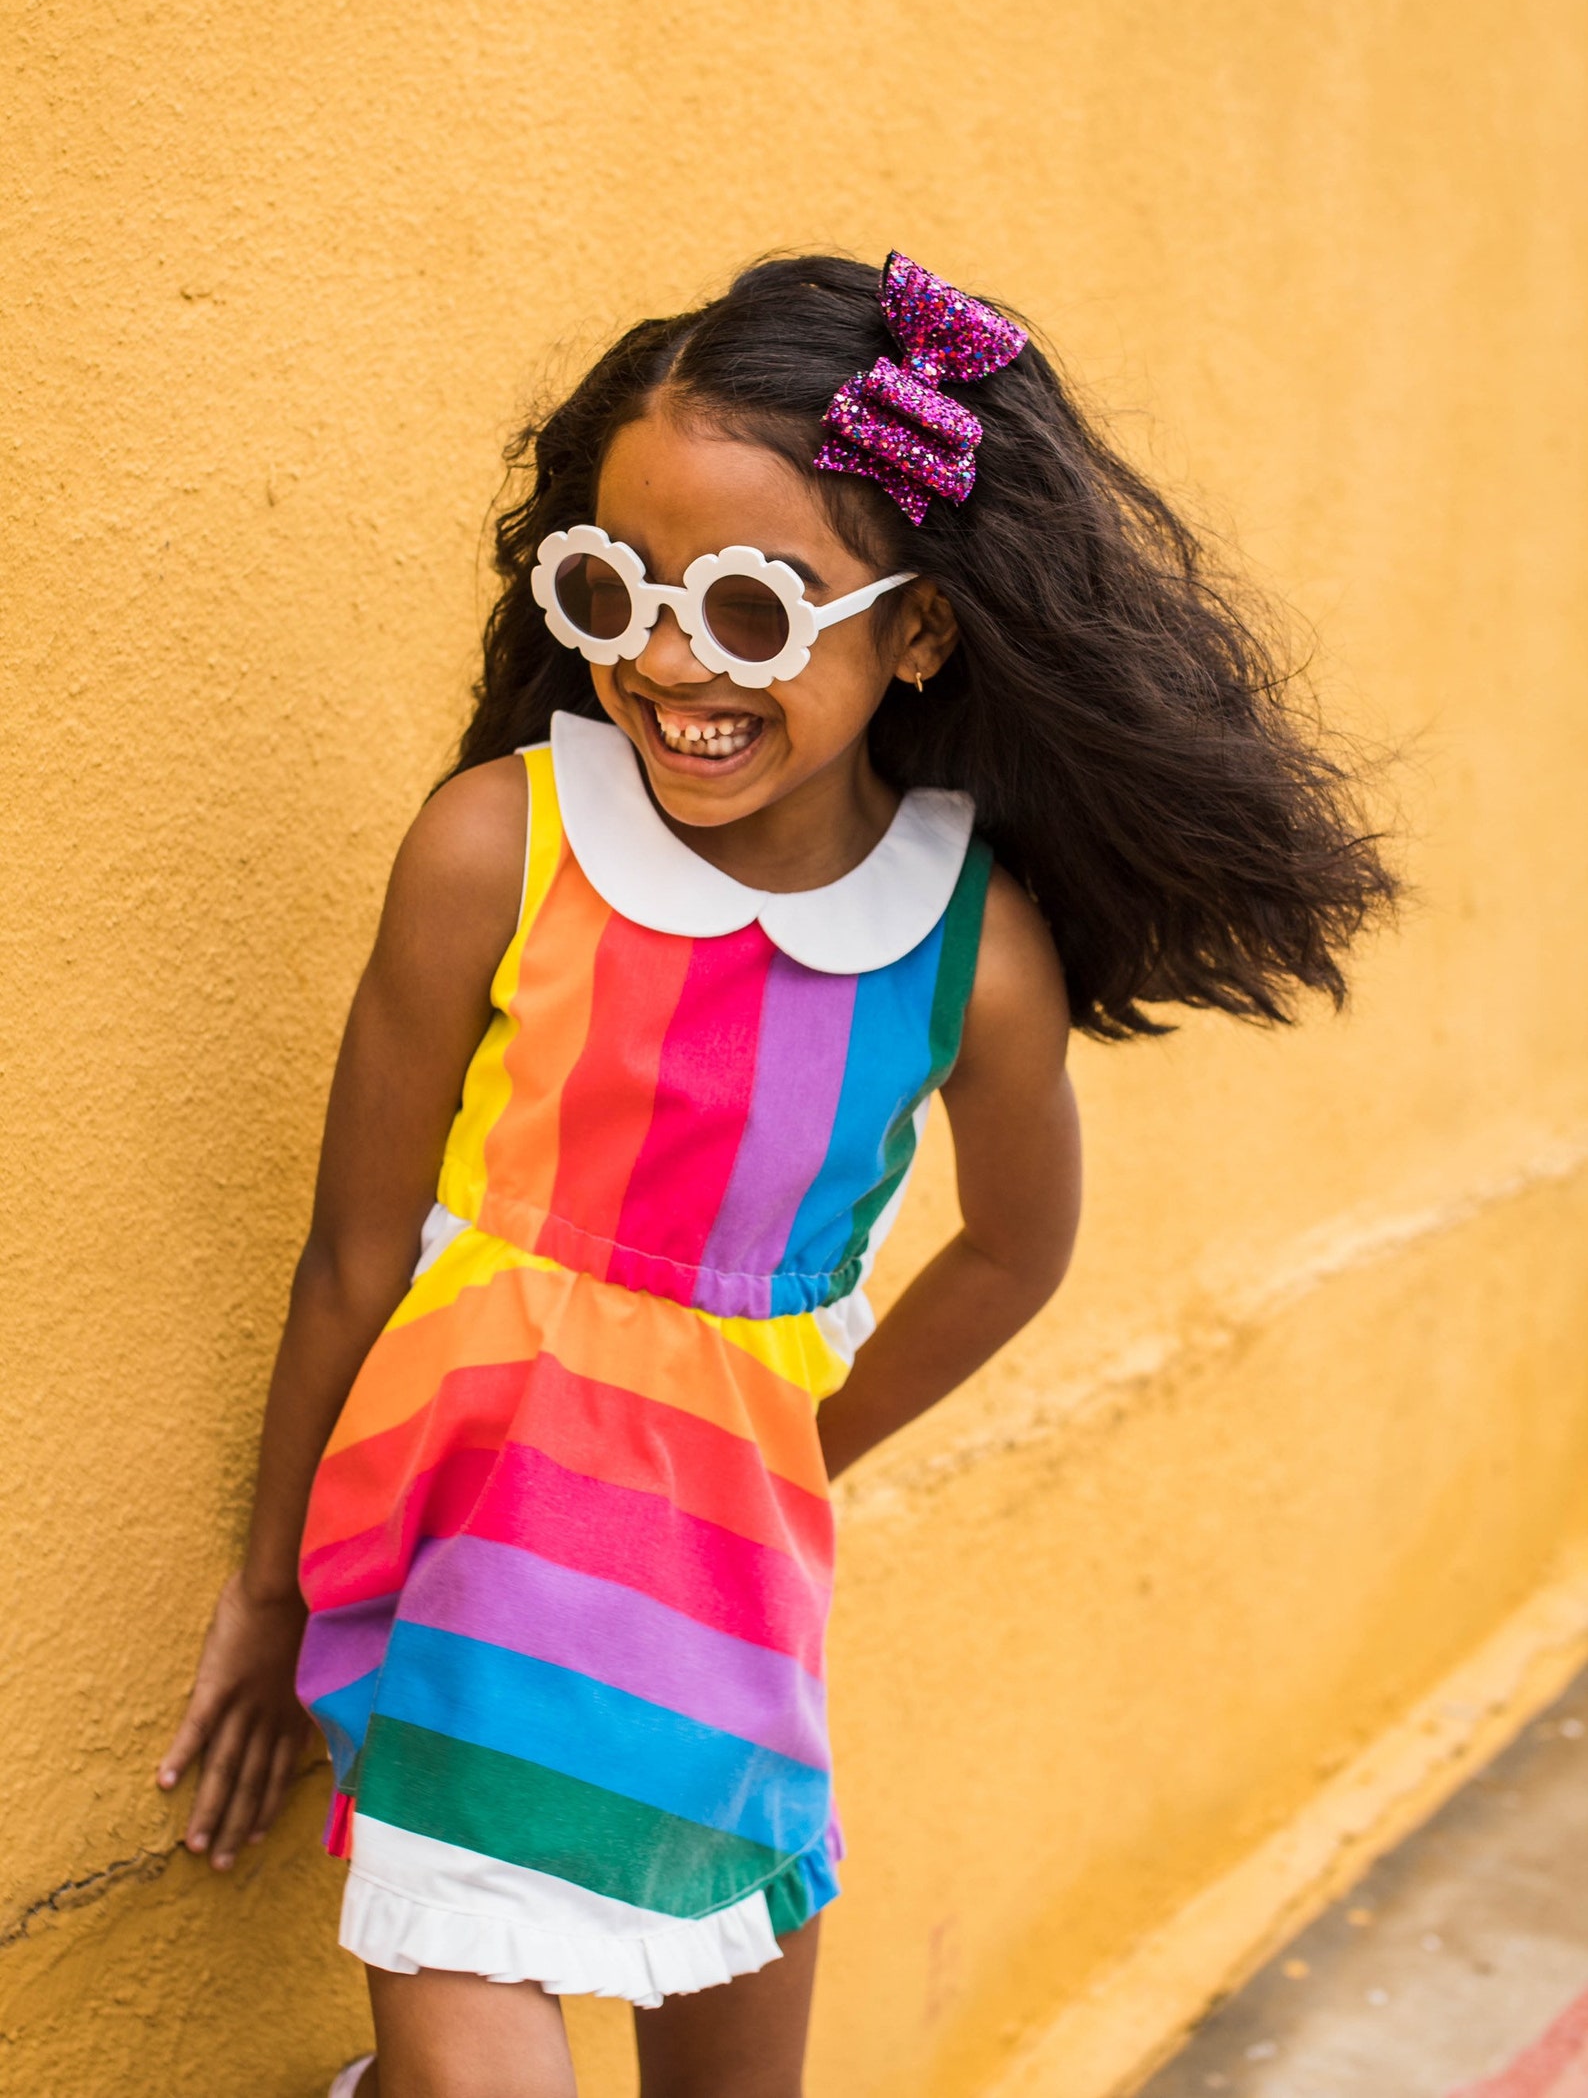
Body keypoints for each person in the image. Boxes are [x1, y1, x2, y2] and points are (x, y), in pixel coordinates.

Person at [157, 253, 1395, 2098]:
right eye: (618, 586)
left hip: (730, 1627)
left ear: (919, 631)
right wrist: (266, 1598)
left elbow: (1016, 1250)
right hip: (465, 1595)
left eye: (751, 606)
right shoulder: (499, 849)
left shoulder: (968, 952)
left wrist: (796, 1452)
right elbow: (350, 1258)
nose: (667, 659)